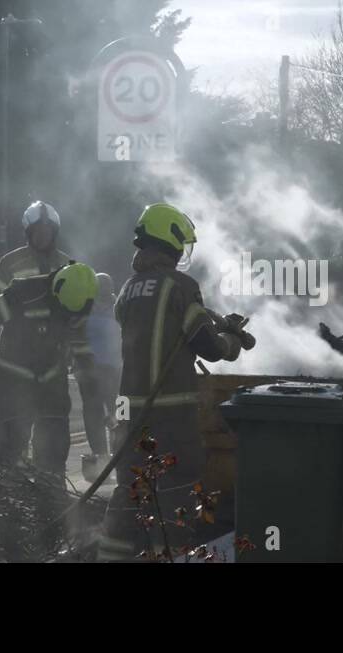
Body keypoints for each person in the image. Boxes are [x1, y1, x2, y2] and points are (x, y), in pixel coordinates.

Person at [106, 203, 244, 544]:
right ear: (171, 241)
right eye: (182, 244)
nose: (183, 251)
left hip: (129, 417)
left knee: (130, 494)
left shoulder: (127, 289)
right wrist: (232, 341)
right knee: (175, 501)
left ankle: (112, 554)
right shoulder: (180, 286)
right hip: (171, 419)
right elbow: (208, 346)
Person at [0, 262, 99, 479]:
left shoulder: (78, 303)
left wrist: (89, 377)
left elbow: (80, 341)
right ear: (57, 291)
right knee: (7, 452)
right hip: (14, 382)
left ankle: (50, 500)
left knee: (54, 451)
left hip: (53, 384)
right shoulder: (22, 294)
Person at [78, 272, 123, 482]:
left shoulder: (118, 307)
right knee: (97, 413)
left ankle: (113, 456)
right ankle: (104, 457)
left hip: (109, 370)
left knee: (114, 414)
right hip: (94, 370)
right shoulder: (88, 308)